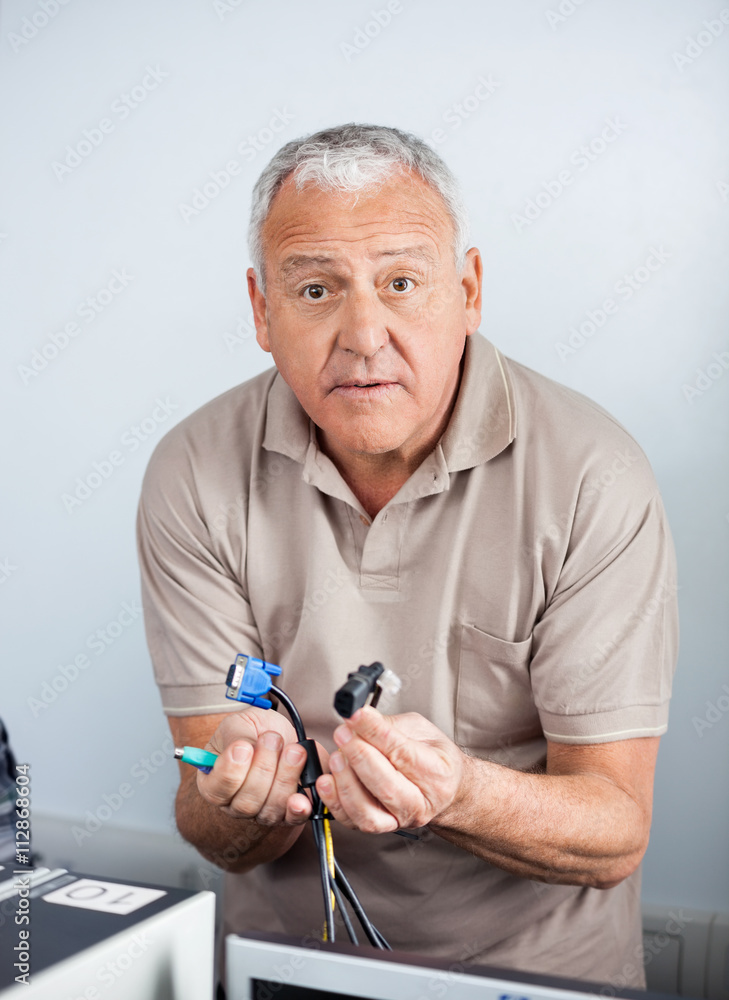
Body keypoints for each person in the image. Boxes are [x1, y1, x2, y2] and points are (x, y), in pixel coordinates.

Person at [137, 123, 678, 987]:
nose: (362, 334)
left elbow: (615, 825)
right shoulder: (193, 470)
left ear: (466, 291)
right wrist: (249, 801)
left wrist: (458, 792)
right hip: (284, 964)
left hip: (532, 972)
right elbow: (212, 826)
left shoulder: (592, 474)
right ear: (259, 311)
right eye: (315, 290)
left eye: (400, 282)